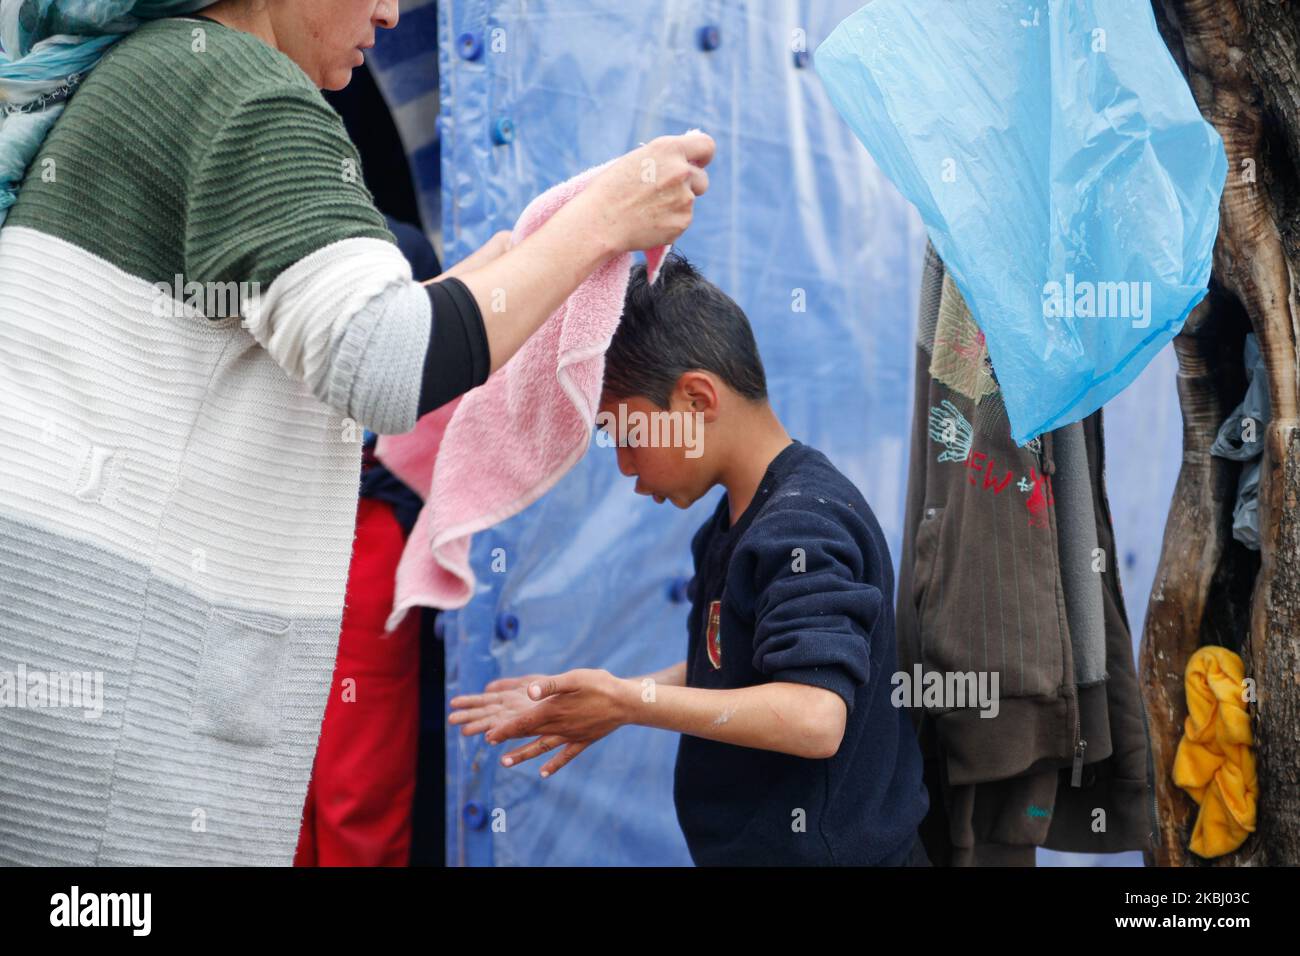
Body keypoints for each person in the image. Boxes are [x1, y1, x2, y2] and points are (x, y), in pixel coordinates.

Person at [0, 0, 714, 866]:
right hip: (128, 718)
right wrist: (604, 221)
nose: (389, 11)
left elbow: (356, 321)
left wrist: (536, 242)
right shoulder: (245, 90)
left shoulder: (148, 74)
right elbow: (385, 360)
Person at [449, 254, 929, 866]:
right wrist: (608, 700)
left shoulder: (804, 524)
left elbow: (813, 716)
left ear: (697, 398)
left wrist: (626, 703)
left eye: (625, 433)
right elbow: (735, 669)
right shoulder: (732, 522)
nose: (625, 464)